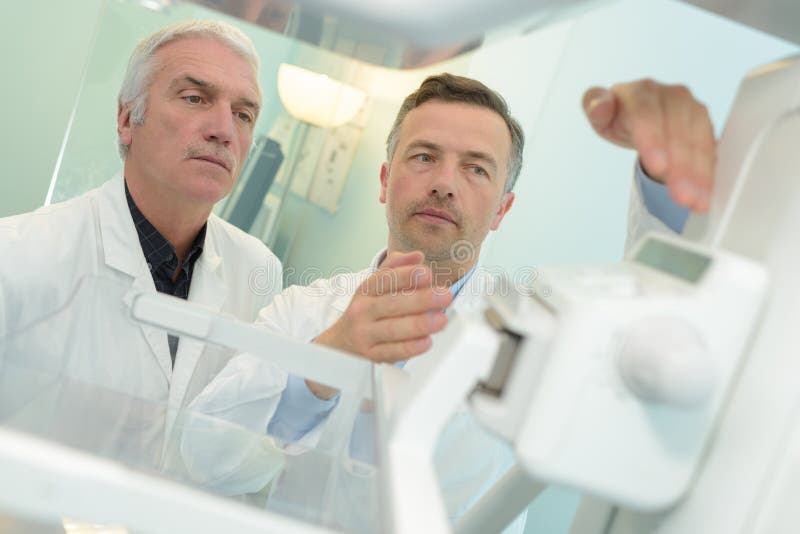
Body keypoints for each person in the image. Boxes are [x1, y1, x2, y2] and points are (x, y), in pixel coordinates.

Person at [190, 73, 715, 529]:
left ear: (502, 209)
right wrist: (327, 360)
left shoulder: (535, 335)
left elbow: (661, 343)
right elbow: (203, 457)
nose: (443, 184)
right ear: (385, 179)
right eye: (424, 157)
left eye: (476, 169)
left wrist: (664, 179)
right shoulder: (302, 310)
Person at [0, 20, 283, 432]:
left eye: (243, 115)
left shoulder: (259, 272)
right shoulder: (17, 255)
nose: (224, 131)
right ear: (127, 118)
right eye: (194, 98)